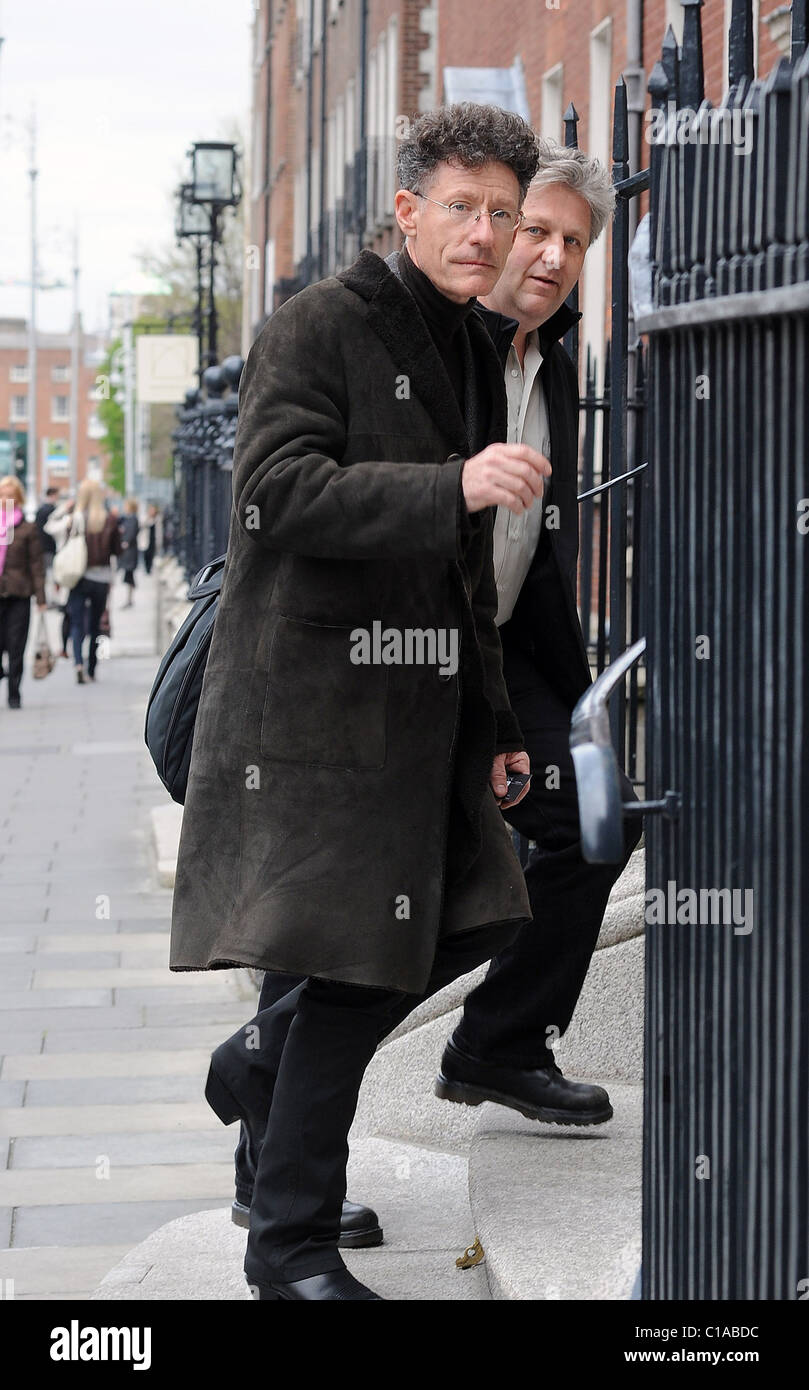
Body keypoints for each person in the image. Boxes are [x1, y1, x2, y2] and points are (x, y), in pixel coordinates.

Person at [171, 102, 549, 1301]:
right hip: (317, 719)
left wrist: (494, 726)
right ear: (407, 209)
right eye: (462, 206)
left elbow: (461, 578)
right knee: (353, 970)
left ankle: (255, 1066)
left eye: (502, 211)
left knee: (452, 934)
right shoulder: (316, 326)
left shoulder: (473, 351)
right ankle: (287, 1246)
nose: (485, 232)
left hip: (426, 719)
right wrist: (448, 484)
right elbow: (275, 493)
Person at [432, 143, 642, 1123]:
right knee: (371, 887)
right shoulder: (437, 351)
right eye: (540, 230)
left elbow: (539, 554)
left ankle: (497, 1042)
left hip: (509, 646)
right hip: (417, 653)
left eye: (575, 241)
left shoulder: (548, 364)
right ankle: (265, 1126)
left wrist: (570, 689)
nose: (554, 257)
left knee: (596, 822)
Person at [45, 479, 122, 684]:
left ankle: (78, 663)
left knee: (77, 622)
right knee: (96, 624)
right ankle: (92, 667)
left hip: (79, 577)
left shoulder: (76, 518)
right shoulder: (109, 519)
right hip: (101, 579)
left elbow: (50, 527)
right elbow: (117, 551)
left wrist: (64, 508)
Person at [0, 475, 47, 708]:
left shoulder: (27, 529)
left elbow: (37, 565)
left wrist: (41, 597)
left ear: (17, 498)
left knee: (16, 645)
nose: (5, 499)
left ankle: (13, 693)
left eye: (10, 495)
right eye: (2, 495)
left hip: (19, 594)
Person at [35, 485, 60, 608]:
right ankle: (51, 599)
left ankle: (45, 599)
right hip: (49, 547)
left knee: (44, 575)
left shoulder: (40, 510)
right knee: (51, 575)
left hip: (40, 547)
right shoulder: (52, 510)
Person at [117, 499, 139, 604]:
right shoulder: (127, 518)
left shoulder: (133, 519)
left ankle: (130, 599)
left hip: (130, 551)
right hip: (128, 551)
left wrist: (126, 542)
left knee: (129, 574)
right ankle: (129, 598)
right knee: (129, 575)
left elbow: (131, 533)